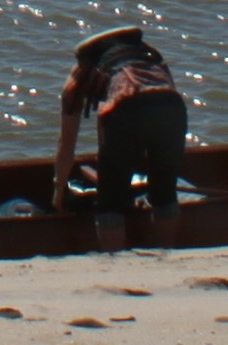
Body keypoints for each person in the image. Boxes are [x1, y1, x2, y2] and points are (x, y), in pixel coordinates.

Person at [53, 25, 188, 250]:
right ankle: (168, 251)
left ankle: (114, 259)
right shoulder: (152, 60)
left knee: (110, 202)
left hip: (126, 109)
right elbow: (151, 117)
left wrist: (58, 194)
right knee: (164, 192)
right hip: (173, 107)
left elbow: (66, 146)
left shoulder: (81, 75)